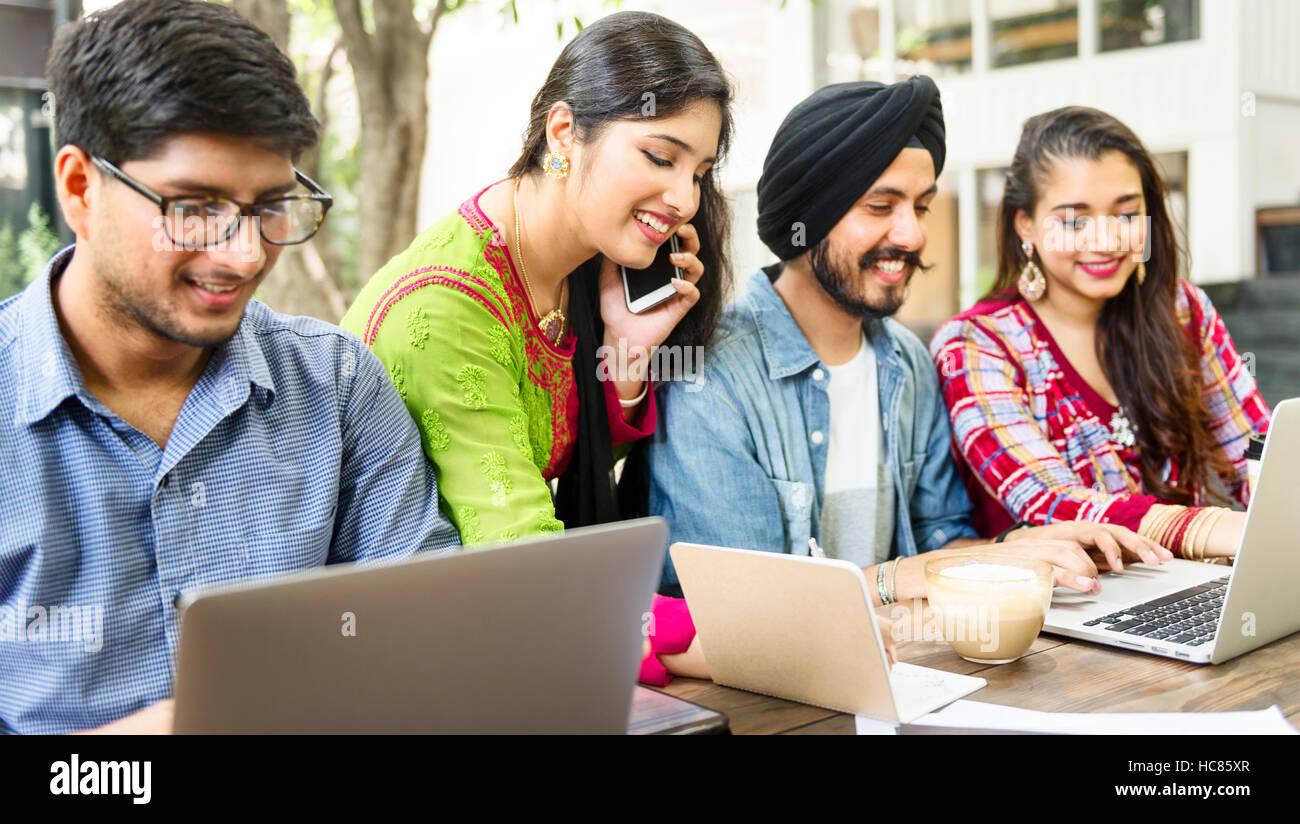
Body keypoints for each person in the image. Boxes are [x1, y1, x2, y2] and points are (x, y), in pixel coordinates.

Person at [0, 0, 458, 734]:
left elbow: (426, 647)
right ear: (80, 188)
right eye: (195, 208)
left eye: (272, 206)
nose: (244, 254)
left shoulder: (337, 387)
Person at [641, 81, 1170, 686]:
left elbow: (945, 540)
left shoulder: (908, 363)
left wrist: (1024, 551)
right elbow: (749, 614)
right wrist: (905, 578)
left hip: (900, 683)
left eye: (920, 207)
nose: (914, 234)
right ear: (804, 216)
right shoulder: (712, 374)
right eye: (880, 206)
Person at [340, 11, 732, 544]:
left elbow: (564, 459)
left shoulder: (582, 269)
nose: (686, 200)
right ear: (564, 132)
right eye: (660, 157)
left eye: (698, 174)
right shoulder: (445, 308)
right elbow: (522, 558)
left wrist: (625, 351)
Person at [929, 107, 1269, 560]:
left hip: (1187, 593)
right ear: (1024, 224)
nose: (1107, 240)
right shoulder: (976, 346)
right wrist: (1228, 531)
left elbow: (1255, 457)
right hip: (1054, 615)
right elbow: (1053, 502)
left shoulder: (1183, 310)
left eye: (1127, 214)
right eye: (1074, 221)